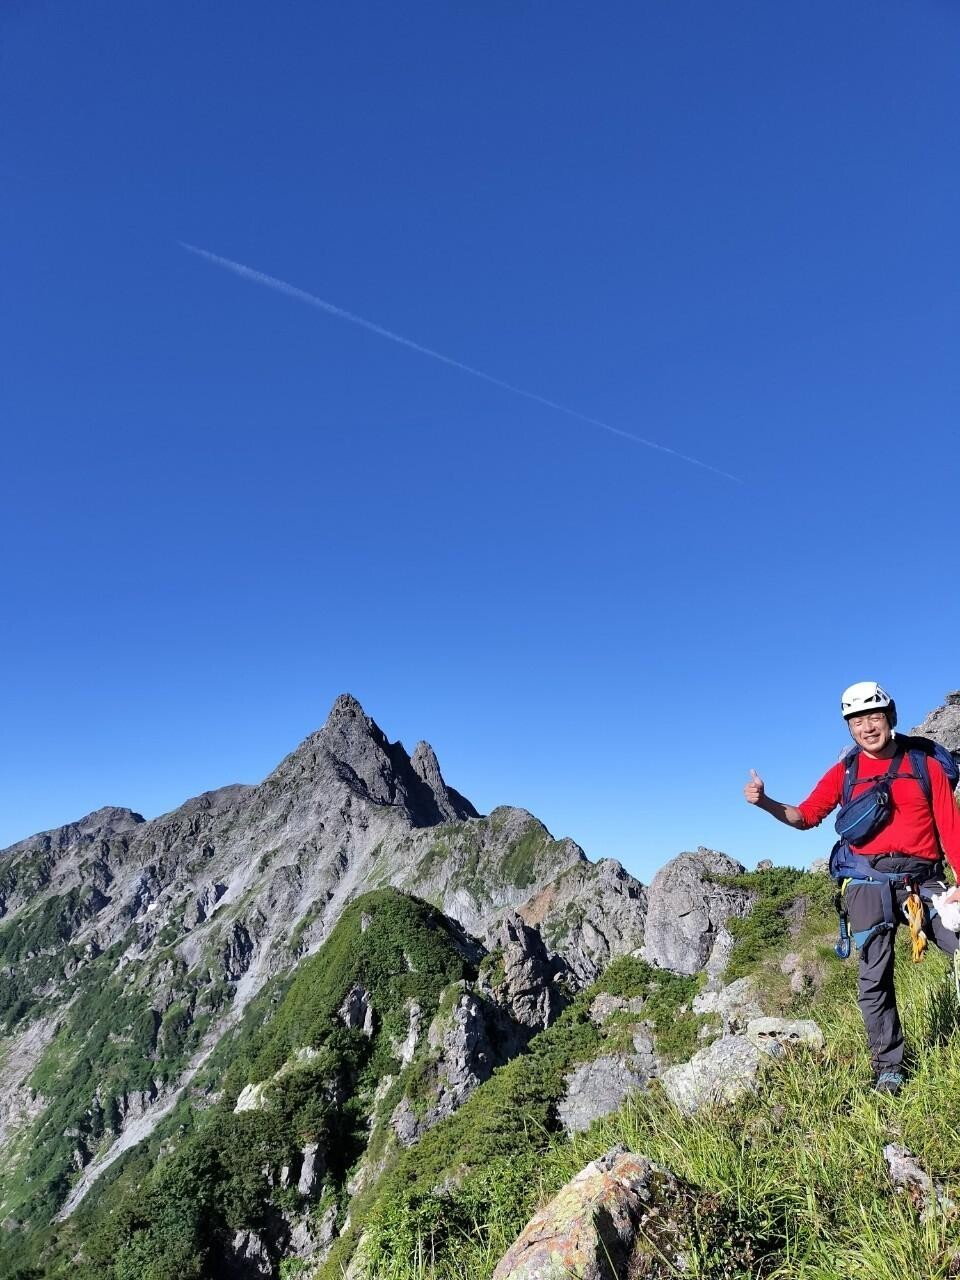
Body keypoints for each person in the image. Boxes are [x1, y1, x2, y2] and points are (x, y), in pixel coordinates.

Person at [744, 680, 960, 1095]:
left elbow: (951, 826)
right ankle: (889, 1068)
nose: (867, 727)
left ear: (890, 717)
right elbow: (806, 816)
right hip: (867, 881)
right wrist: (766, 802)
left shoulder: (925, 764)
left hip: (924, 880)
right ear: (849, 728)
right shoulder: (847, 771)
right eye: (856, 720)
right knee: (874, 978)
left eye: (874, 716)